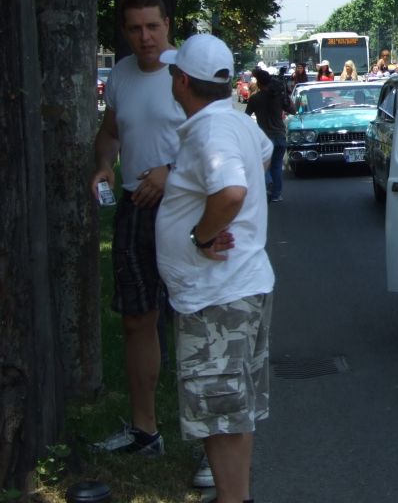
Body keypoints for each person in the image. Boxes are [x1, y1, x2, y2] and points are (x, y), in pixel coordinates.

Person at [156, 33, 275, 503]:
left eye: (172, 72)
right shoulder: (234, 122)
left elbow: (230, 193)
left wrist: (203, 234)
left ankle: (232, 498)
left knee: (222, 412)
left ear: (182, 80)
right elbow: (262, 155)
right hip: (234, 288)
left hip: (218, 295)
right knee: (231, 410)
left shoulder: (211, 131)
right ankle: (236, 496)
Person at [90, 0, 185, 459]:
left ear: (168, 23)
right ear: (125, 32)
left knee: (193, 319)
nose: (145, 37)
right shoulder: (122, 76)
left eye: (153, 26)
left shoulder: (188, 73)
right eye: (135, 28)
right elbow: (110, 132)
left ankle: (208, 436)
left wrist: (171, 172)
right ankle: (146, 430)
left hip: (186, 211)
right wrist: (105, 164)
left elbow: (219, 144)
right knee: (136, 319)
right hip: (134, 208)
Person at [245, 69, 294, 203]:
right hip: (280, 136)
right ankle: (276, 194)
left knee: (263, 165)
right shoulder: (279, 96)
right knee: (277, 166)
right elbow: (293, 110)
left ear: (259, 84)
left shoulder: (255, 99)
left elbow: (246, 116)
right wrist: (286, 95)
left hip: (264, 138)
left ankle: (267, 184)